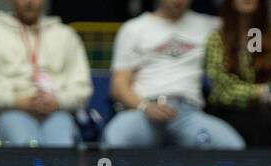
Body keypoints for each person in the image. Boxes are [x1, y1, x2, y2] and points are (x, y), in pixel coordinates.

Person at [101, 0, 246, 150]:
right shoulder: (134, 28)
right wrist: (145, 106)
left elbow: (247, 29)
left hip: (188, 113)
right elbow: (118, 86)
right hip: (144, 110)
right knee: (113, 140)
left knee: (232, 146)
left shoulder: (209, 25)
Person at [0, 0, 93, 147]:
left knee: (61, 147)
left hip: (58, 112)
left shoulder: (66, 35)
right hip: (10, 112)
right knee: (26, 144)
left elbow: (82, 87)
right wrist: (15, 101)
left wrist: (58, 101)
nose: (29, 2)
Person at [204, 0, 271, 149]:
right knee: (258, 120)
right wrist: (268, 91)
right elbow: (223, 90)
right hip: (232, 113)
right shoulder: (217, 38)